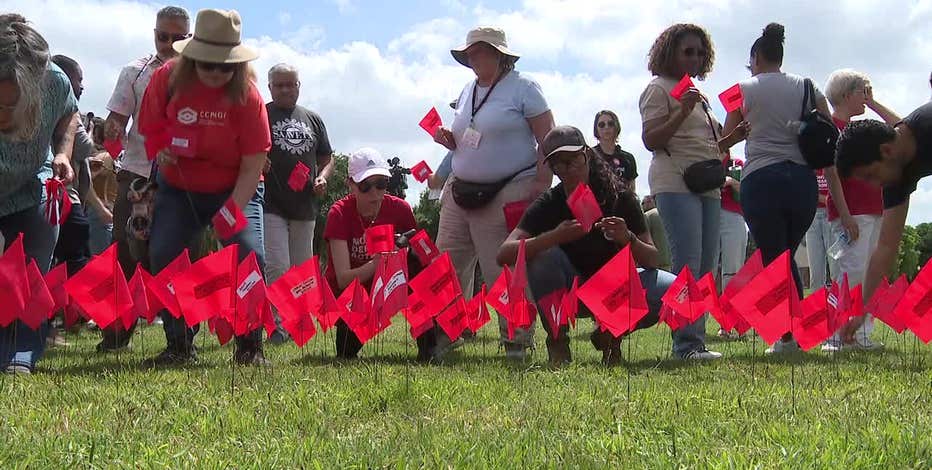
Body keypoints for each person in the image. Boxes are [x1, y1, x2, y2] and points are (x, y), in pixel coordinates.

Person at [137, 8, 271, 367]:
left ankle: (249, 344)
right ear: (191, 56)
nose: (215, 72)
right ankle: (179, 344)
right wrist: (161, 145)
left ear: (237, 65)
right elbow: (149, 126)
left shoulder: (249, 97)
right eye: (207, 63)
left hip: (236, 187)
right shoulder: (166, 79)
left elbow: (254, 162)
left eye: (224, 65)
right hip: (180, 188)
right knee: (165, 253)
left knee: (248, 255)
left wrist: (232, 210)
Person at [497, 126, 676, 365]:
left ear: (587, 155)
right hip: (573, 292)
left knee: (669, 289)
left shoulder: (621, 197)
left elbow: (653, 259)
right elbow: (504, 254)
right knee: (541, 255)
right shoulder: (550, 202)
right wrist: (554, 237)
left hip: (616, 290)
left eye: (574, 160)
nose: (569, 170)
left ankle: (612, 334)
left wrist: (628, 237)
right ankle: (558, 341)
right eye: (559, 164)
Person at [432, 27, 554, 359]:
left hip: (509, 188)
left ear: (499, 55)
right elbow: (466, 138)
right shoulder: (468, 88)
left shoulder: (524, 89)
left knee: (501, 267)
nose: (472, 57)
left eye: (479, 51)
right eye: (469, 52)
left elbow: (548, 139)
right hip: (460, 190)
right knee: (446, 265)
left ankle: (517, 340)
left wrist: (542, 185)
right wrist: (448, 138)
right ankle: (445, 336)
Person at [722, 23, 829, 354]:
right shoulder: (808, 86)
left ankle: (787, 336)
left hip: (761, 179)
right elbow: (827, 128)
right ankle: (793, 333)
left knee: (775, 259)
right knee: (786, 257)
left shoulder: (740, 89)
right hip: (801, 182)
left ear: (755, 57)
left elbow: (725, 142)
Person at [639, 23, 743, 360]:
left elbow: (707, 146)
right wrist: (682, 108)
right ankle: (686, 344)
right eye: (688, 51)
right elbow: (651, 140)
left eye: (700, 52)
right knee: (688, 263)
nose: (695, 58)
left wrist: (733, 138)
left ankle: (695, 340)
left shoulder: (700, 95)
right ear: (670, 52)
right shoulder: (658, 90)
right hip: (674, 182)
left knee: (706, 266)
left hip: (707, 185)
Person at [100, 5, 190, 352]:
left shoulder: (201, 74)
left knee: (177, 258)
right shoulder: (135, 71)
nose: (167, 43)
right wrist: (112, 128)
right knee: (124, 253)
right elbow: (116, 119)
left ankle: (180, 343)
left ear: (189, 36)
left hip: (183, 180)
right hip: (137, 173)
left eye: (176, 38)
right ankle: (115, 336)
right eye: (161, 36)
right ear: (153, 33)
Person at [0, 14, 79, 374]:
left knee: (35, 260)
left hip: (33, 183)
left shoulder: (56, 83)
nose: (3, 115)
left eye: (10, 105)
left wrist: (62, 152)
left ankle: (21, 351)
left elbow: (69, 116)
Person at [835, 101, 932, 342]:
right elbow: (886, 247)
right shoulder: (895, 177)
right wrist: (861, 310)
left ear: (886, 151)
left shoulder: (927, 126)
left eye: (871, 175)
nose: (874, 185)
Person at [821, 69, 900, 352]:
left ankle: (861, 334)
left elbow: (900, 128)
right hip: (852, 213)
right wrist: (844, 215)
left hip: (875, 210)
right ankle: (836, 335)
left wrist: (875, 103)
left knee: (869, 274)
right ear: (846, 94)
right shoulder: (831, 128)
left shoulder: (863, 130)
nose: (865, 99)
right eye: (862, 92)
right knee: (850, 273)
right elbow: (831, 177)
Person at [262, 63, 334, 344]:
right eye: (279, 85)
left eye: (290, 84)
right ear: (269, 87)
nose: (285, 90)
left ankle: (299, 324)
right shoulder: (262, 114)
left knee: (303, 269)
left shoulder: (313, 118)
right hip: (270, 202)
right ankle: (277, 325)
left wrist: (323, 178)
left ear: (298, 86)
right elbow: (244, 148)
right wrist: (258, 160)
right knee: (277, 264)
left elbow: (326, 159)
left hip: (305, 204)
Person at [324, 148, 418, 359]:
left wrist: (407, 252)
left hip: (388, 287)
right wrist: (379, 262)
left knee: (421, 269)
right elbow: (343, 279)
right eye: (365, 186)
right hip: (353, 295)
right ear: (350, 185)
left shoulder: (401, 210)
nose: (375, 193)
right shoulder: (338, 214)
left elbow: (426, 262)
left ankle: (430, 341)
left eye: (381, 184)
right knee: (346, 353)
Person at [717, 153, 747, 338]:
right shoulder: (704, 160)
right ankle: (697, 324)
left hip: (734, 216)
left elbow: (749, 193)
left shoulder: (738, 163)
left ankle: (732, 323)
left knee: (733, 272)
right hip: (708, 215)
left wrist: (732, 183)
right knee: (707, 272)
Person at [592, 110, 638, 190]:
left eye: (610, 124)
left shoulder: (628, 159)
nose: (606, 127)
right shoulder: (589, 156)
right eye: (601, 125)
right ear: (596, 130)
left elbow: (632, 190)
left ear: (616, 127)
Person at [804, 168, 834, 290]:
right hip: (812, 215)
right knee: (815, 272)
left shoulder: (833, 161)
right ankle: (818, 307)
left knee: (836, 268)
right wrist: (827, 199)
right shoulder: (808, 164)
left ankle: (839, 306)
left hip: (832, 215)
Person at [641, 195, 671, 271]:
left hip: (657, 269)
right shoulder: (668, 214)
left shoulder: (647, 216)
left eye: (643, 203)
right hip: (672, 266)